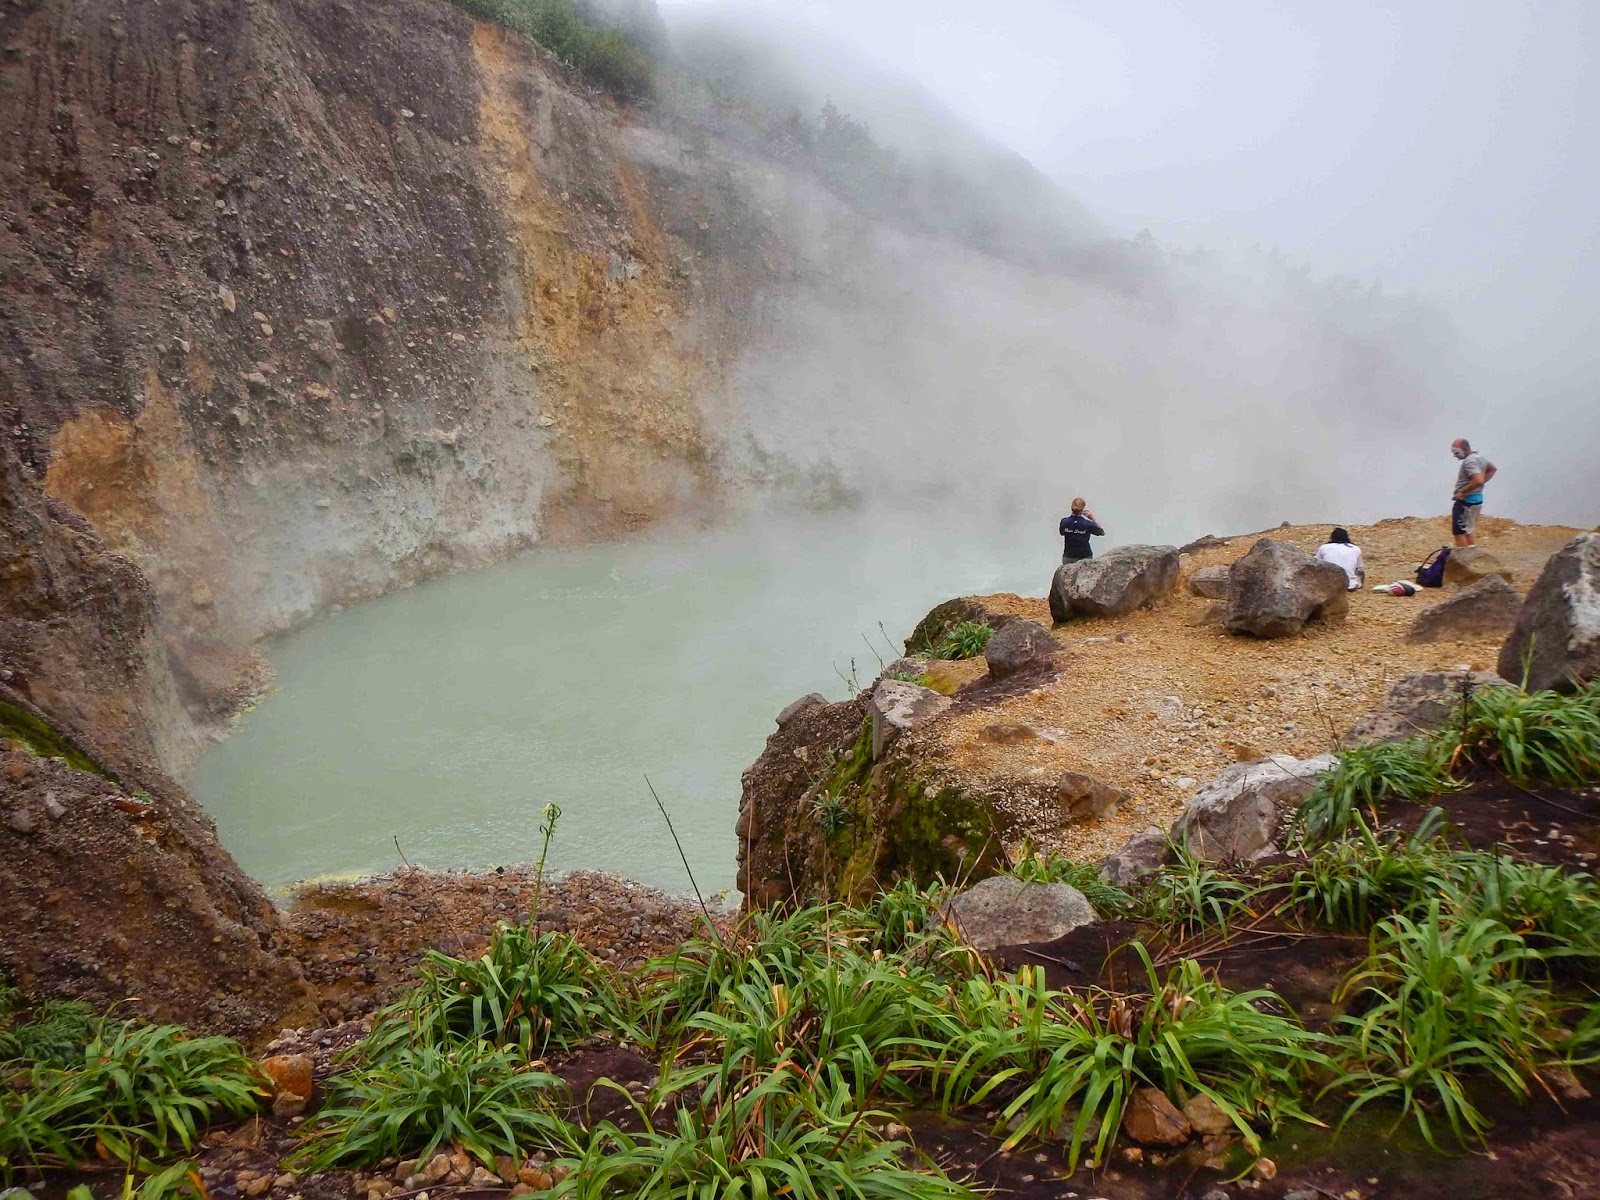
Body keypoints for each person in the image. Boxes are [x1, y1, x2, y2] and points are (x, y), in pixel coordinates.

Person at [1449, 438, 1497, 547]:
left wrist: (1462, 491)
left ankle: (1463, 560)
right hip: (1476, 499)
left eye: (1456, 452)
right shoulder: (1479, 458)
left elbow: (1478, 480)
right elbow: (1492, 469)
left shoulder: (1469, 461)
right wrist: (1479, 483)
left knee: (1459, 533)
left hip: (1466, 501)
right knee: (1467, 530)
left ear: (1465, 449)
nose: (1455, 455)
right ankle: (1472, 558)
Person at [1058, 498, 1104, 562]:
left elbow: (1061, 532)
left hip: (1069, 556)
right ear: (1082, 509)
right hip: (1085, 557)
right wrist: (1092, 519)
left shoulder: (1064, 522)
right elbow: (1101, 532)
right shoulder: (1087, 524)